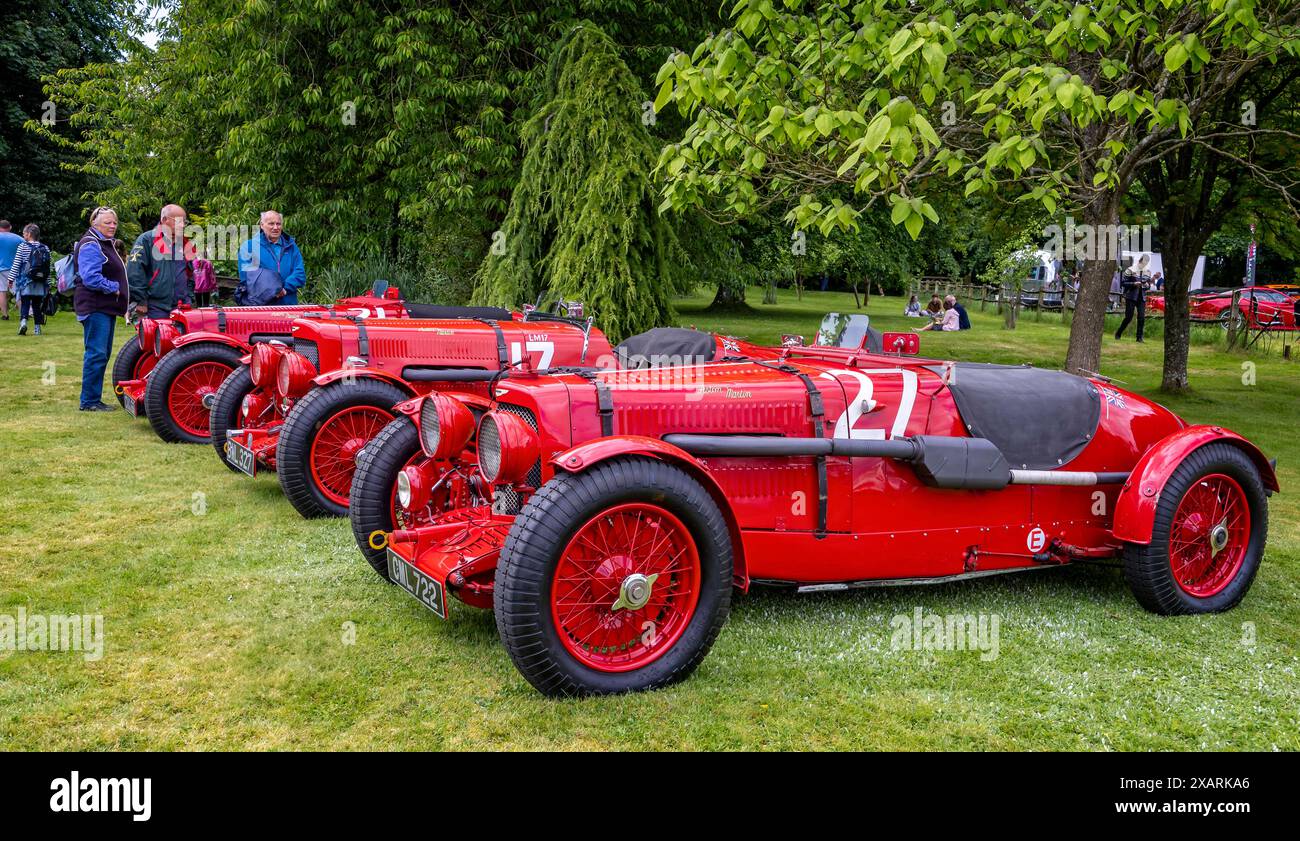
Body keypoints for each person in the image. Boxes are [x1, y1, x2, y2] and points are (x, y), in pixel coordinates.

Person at [74, 207, 129, 411]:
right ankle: (89, 402)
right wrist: (114, 288)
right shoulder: (91, 244)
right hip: (95, 306)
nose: (113, 226)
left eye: (114, 222)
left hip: (103, 308)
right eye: (108, 222)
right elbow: (90, 277)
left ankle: (92, 399)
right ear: (95, 223)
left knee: (101, 353)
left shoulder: (104, 243)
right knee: (96, 353)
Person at [128, 204, 195, 319]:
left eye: (185, 222)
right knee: (157, 337)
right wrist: (140, 300)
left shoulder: (184, 243)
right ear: (164, 220)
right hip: (155, 307)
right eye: (179, 221)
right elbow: (135, 271)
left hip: (182, 307)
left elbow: (189, 273)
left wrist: (189, 296)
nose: (183, 225)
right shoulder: (146, 240)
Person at [237, 210, 306, 305]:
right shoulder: (249, 247)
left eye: (278, 224)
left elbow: (300, 274)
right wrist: (274, 290)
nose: (275, 227)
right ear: (262, 225)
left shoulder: (291, 246)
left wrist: (285, 289)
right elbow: (247, 279)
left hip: (289, 305)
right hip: (263, 308)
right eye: (271, 224)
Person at [6, 224, 51, 335]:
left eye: (24, 233)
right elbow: (48, 267)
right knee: (37, 304)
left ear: (29, 234)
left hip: (26, 280)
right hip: (40, 281)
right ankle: (37, 328)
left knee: (25, 302)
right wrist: (48, 282)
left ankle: (24, 323)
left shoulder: (23, 246)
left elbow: (16, 264)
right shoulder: (45, 248)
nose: (23, 235)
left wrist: (10, 279)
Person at [1115, 255, 1152, 343]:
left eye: (1147, 262)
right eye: (1144, 262)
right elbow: (1123, 283)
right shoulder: (1130, 269)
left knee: (1141, 317)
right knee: (1129, 317)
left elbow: (1148, 285)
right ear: (1140, 260)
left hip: (1141, 297)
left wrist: (1147, 286)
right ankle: (1118, 333)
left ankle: (1139, 338)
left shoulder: (1147, 272)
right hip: (1131, 296)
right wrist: (1134, 283)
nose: (1145, 264)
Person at [0, 220, 23, 320]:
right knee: (17, 291)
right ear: (10, 227)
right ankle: (24, 314)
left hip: (0, 269)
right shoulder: (18, 238)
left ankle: (5, 315)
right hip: (15, 269)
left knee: (2, 291)